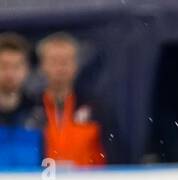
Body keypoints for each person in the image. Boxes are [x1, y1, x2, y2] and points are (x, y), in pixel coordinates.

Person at [36, 32, 106, 167]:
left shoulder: (95, 108)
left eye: (65, 61)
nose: (60, 67)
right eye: (54, 61)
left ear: (76, 65)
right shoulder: (31, 109)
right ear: (42, 66)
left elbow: (110, 152)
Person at [0, 33, 42, 169]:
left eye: (16, 66)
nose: (10, 73)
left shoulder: (39, 112)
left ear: (27, 70)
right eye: (4, 66)